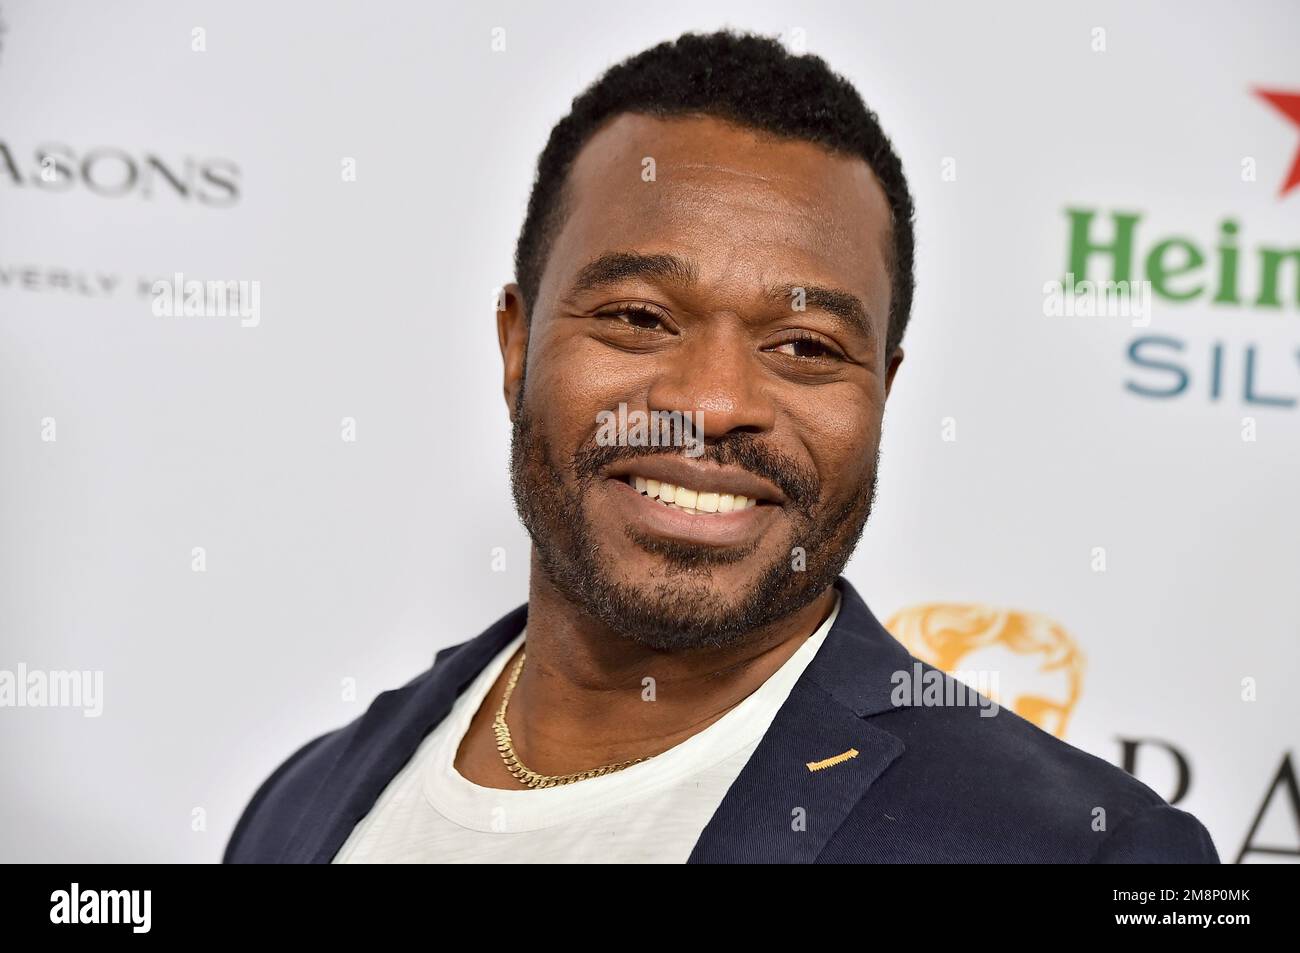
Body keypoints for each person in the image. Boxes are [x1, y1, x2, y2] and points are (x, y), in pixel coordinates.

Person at [224, 30, 1219, 864]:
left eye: (803, 345)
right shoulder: (303, 802)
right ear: (516, 344)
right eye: (640, 317)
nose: (712, 401)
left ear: (883, 389)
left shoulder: (1081, 850)